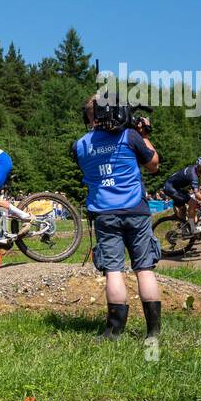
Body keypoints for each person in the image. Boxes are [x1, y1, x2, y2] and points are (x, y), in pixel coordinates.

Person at [71, 94, 162, 342]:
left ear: (89, 118)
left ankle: (114, 331)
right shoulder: (130, 137)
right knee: (145, 269)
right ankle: (153, 332)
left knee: (113, 270)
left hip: (104, 213)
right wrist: (143, 134)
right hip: (136, 210)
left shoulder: (80, 145)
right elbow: (154, 164)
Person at [161, 157, 201, 234]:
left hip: (173, 187)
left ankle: (184, 232)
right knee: (193, 202)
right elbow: (197, 195)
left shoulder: (196, 170)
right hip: (170, 188)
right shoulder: (193, 175)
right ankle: (193, 228)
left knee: (183, 209)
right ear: (200, 168)